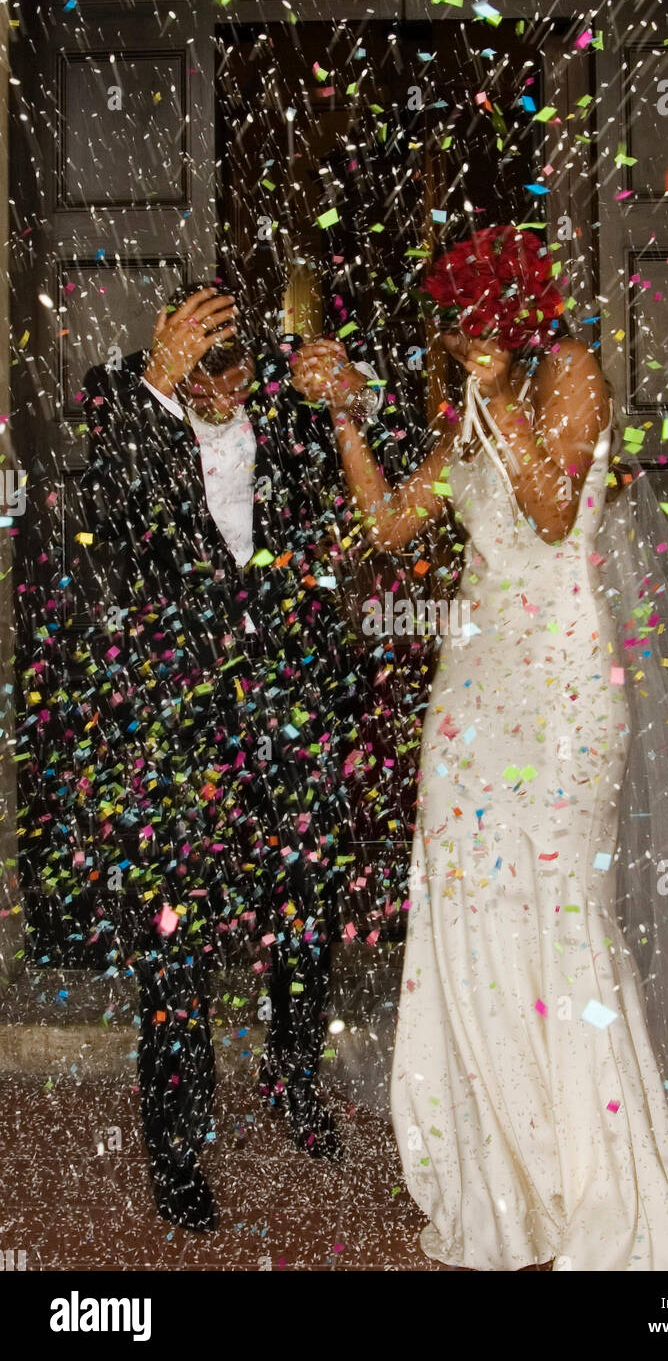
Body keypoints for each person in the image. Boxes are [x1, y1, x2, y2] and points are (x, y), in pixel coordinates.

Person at [290, 226, 668, 1270]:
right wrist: (348, 414)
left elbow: (552, 507)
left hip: (562, 690)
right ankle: (504, 1194)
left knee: (557, 926)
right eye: (447, 316)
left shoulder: (568, 374)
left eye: (468, 312)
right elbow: (389, 524)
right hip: (472, 694)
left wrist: (504, 397)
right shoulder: (464, 402)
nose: (454, 333)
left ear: (509, 312)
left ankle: (591, 1193)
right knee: (466, 920)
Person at [67, 281, 381, 1231]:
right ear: (166, 345)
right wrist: (159, 381)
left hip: (287, 710)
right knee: (176, 946)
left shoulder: (287, 408)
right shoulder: (121, 404)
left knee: (303, 912)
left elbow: (387, 456)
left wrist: (352, 395)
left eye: (235, 360)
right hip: (175, 728)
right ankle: (175, 1147)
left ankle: (292, 1082)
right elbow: (116, 510)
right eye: (200, 360)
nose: (221, 381)